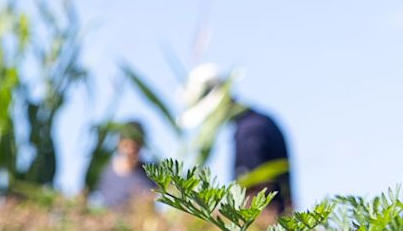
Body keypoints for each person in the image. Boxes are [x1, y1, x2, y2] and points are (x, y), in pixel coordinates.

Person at [176, 63, 295, 222]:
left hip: (267, 227)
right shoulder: (263, 121)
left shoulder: (249, 133)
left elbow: (254, 191)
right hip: (282, 221)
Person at [91, 121, 157, 211]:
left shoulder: (151, 173)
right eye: (126, 146)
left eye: (135, 147)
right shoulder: (104, 172)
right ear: (119, 144)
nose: (130, 151)